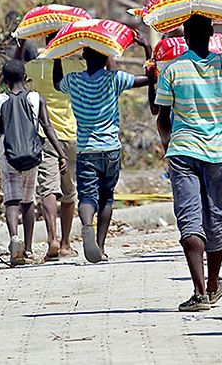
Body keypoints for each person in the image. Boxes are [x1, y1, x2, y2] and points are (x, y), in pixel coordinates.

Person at [156, 14, 222, 312]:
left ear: (187, 37)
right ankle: (214, 284)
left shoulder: (173, 70)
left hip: (182, 152)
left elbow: (162, 116)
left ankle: (199, 291)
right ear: (211, 35)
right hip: (217, 153)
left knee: (189, 219)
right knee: (214, 220)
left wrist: (167, 142)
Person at [53, 33, 153, 264]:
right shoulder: (114, 79)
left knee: (87, 195)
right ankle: (101, 245)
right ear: (106, 57)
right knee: (107, 197)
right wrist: (147, 48)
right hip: (110, 148)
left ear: (85, 58)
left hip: (86, 149)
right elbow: (149, 78)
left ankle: (87, 224)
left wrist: (58, 55)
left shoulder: (74, 81)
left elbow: (57, 82)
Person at [0, 60, 69, 266]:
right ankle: (29, 249)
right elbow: (48, 127)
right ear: (25, 77)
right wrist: (61, 154)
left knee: (12, 201)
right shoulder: (36, 98)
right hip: (32, 155)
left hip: (8, 154)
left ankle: (15, 238)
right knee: (28, 202)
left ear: (4, 80)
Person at [16, 34, 80, 260]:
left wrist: (21, 44)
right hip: (72, 135)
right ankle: (65, 244)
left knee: (48, 188)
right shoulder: (75, 65)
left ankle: (52, 238)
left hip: (45, 135)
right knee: (69, 191)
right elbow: (106, 68)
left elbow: (15, 73)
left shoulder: (35, 67)